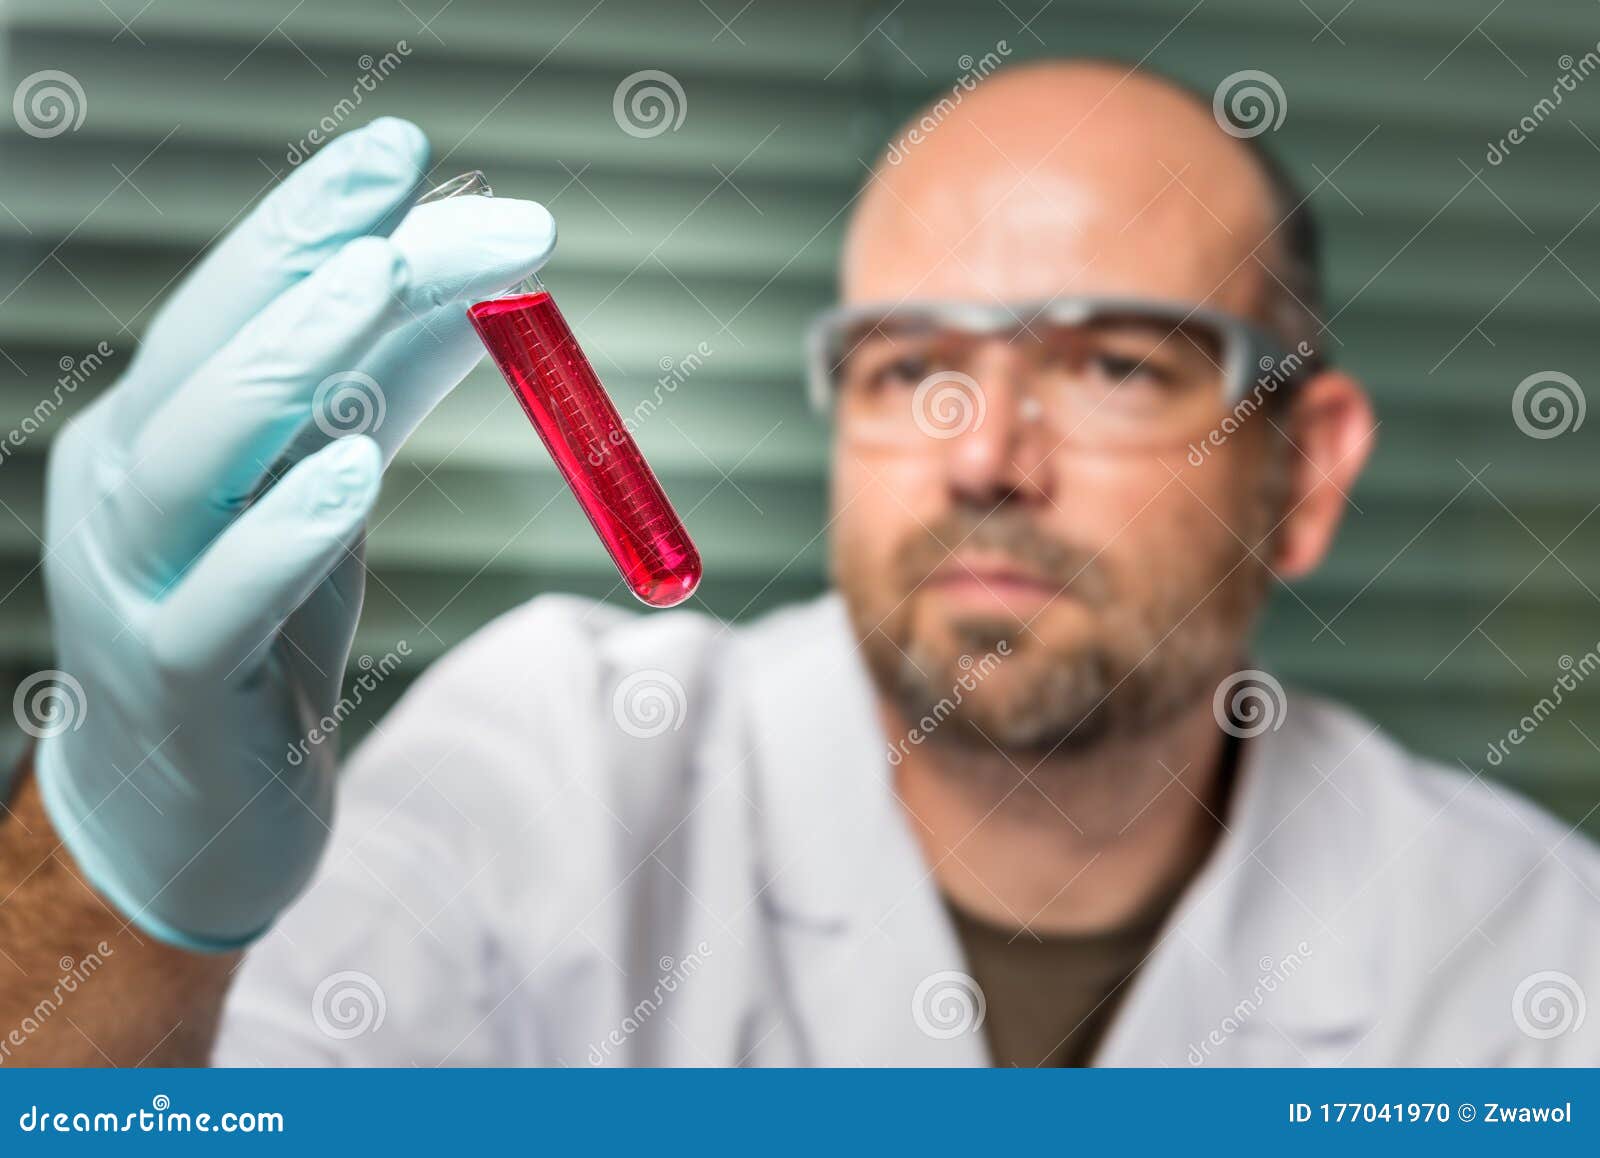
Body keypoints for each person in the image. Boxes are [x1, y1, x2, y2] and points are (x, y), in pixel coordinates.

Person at [2, 60, 1597, 1068]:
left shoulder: (1532, 958)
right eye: (912, 365)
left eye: (1116, 364)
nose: (984, 452)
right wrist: (123, 875)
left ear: (1303, 470)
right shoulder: (553, 767)